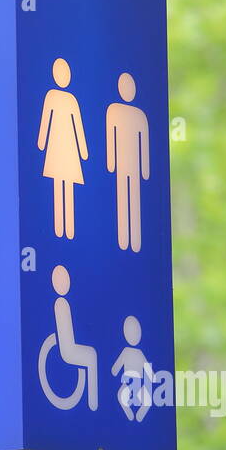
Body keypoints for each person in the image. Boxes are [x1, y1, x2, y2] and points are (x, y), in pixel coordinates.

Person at [38, 58, 87, 239]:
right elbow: (45, 122)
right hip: (57, 148)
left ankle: (68, 228)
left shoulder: (71, 100)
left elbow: (78, 127)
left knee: (67, 185)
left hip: (68, 149)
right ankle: (60, 227)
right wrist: (42, 143)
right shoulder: (51, 96)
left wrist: (83, 150)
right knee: (58, 185)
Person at [105, 72, 150, 252]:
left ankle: (135, 240)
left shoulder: (139, 115)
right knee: (122, 196)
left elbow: (143, 142)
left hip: (133, 167)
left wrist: (145, 170)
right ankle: (124, 239)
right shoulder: (113, 110)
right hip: (122, 167)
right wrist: (110, 163)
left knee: (133, 198)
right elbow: (111, 138)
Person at [50, 265, 97, 411]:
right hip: (67, 349)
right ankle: (93, 401)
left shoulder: (63, 304)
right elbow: (65, 336)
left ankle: (93, 401)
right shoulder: (61, 304)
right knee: (91, 356)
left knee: (91, 354)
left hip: (68, 346)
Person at [110, 315, 152, 421]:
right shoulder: (129, 352)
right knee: (123, 397)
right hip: (131, 382)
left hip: (134, 382)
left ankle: (137, 416)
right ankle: (132, 415)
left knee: (123, 396)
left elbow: (115, 370)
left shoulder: (134, 352)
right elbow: (115, 368)